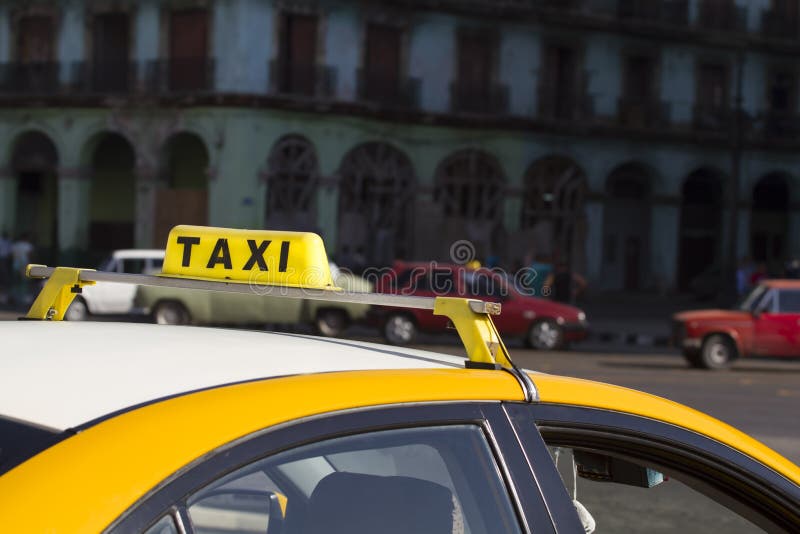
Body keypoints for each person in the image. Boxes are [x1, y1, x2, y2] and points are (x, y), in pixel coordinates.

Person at [11, 233, 34, 304]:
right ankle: (22, 297)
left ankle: (14, 296)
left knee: (15, 281)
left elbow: (12, 255)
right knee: (24, 282)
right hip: (24, 265)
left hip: (15, 264)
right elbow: (30, 255)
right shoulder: (28, 246)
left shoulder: (15, 245)